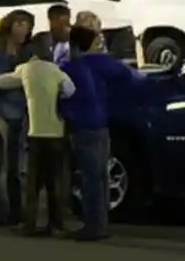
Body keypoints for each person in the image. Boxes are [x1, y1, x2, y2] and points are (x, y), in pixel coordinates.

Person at [59, 25, 145, 241]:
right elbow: (130, 77)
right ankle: (101, 223)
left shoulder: (71, 67)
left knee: (89, 177)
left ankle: (91, 226)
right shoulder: (104, 63)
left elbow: (66, 97)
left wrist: (66, 114)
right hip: (102, 122)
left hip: (82, 125)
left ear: (73, 44)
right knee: (100, 176)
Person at [0, 46, 76, 236]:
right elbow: (70, 91)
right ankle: (56, 224)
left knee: (33, 183)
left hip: (35, 133)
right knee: (55, 182)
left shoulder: (26, 69)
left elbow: (2, 82)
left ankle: (29, 224)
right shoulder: (58, 71)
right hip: (56, 133)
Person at [0, 10, 35, 227]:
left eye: (27, 25)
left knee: (14, 167)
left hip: (17, 117)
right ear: (9, 26)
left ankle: (14, 211)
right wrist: (23, 78)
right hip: (0, 116)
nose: (24, 29)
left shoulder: (21, 54)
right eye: (20, 24)